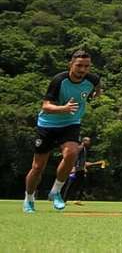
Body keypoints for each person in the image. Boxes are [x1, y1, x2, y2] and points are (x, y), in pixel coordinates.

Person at [23, 50, 101, 213]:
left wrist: (95, 95)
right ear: (71, 65)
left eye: (86, 66)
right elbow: (45, 106)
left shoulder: (92, 79)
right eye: (79, 65)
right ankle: (29, 199)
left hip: (71, 123)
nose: (82, 69)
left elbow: (97, 88)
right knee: (38, 168)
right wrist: (63, 109)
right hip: (48, 125)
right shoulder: (59, 80)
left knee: (72, 153)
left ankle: (55, 192)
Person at [62, 136, 102, 204]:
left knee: (81, 185)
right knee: (70, 185)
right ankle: (63, 200)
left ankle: (77, 200)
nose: (89, 142)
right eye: (88, 141)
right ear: (84, 141)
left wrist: (87, 166)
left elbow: (83, 162)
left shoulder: (84, 149)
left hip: (80, 170)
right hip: (75, 170)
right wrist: (73, 167)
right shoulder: (80, 148)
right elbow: (74, 157)